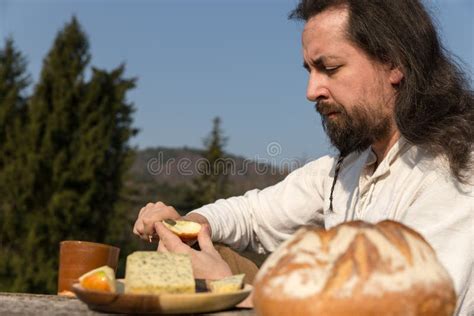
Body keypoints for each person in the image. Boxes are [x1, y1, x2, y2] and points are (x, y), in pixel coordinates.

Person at [134, 0, 473, 313]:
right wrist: (189, 227)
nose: (312, 92)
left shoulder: (454, 172)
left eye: (330, 68)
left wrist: (226, 286)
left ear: (394, 63)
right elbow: (253, 216)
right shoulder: (348, 168)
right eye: (310, 70)